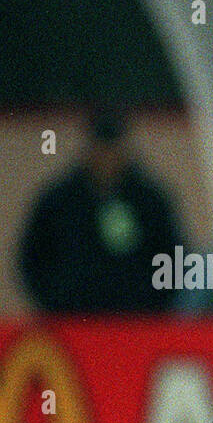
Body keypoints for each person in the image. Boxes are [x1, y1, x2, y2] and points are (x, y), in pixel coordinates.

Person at [18, 108, 184, 313]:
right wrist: (56, 302)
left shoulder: (149, 200)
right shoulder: (58, 201)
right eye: (101, 148)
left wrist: (152, 307)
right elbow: (32, 259)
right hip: (73, 321)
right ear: (89, 148)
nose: (107, 157)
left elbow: (173, 259)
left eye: (113, 149)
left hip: (136, 322)